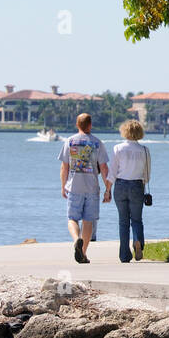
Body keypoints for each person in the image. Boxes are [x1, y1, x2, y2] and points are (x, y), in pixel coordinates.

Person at [59, 113, 110, 264]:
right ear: (90, 125)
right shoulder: (97, 143)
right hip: (92, 187)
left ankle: (76, 240)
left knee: (72, 218)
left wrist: (63, 186)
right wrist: (108, 189)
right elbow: (104, 168)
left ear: (77, 124)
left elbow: (64, 167)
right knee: (88, 220)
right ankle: (83, 253)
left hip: (74, 186)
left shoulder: (69, 141)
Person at [109, 119, 151, 262]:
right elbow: (147, 175)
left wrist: (108, 189)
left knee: (123, 221)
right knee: (137, 219)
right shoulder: (145, 150)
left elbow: (112, 172)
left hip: (120, 185)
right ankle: (138, 240)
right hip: (137, 185)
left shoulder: (118, 148)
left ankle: (125, 255)